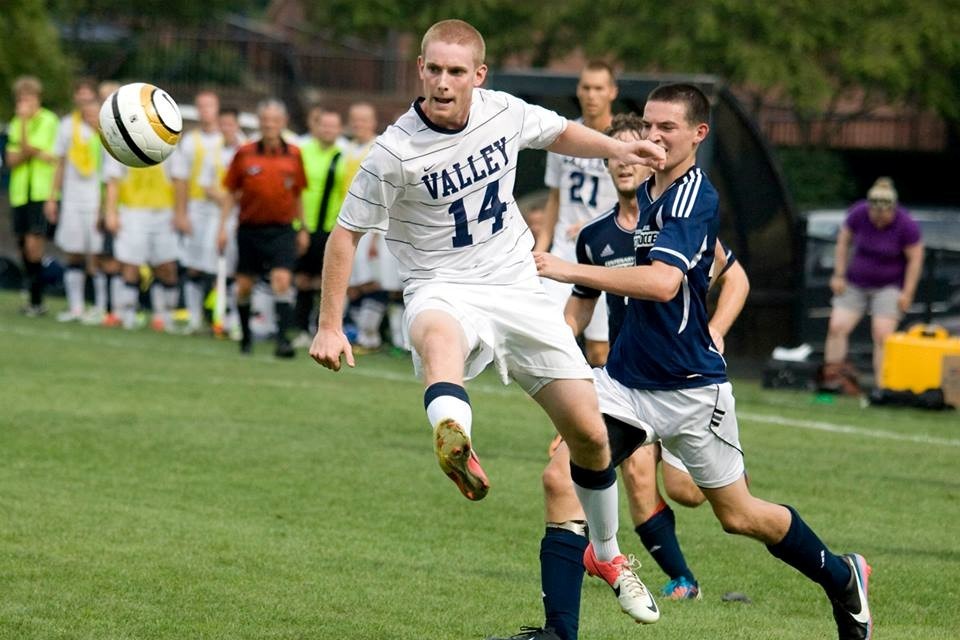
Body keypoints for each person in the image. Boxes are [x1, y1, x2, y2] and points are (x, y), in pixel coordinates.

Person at [309, 19, 667, 625]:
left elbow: (558, 134)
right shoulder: (393, 152)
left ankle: (606, 556)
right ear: (418, 70)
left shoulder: (502, 112)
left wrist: (617, 147)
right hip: (441, 284)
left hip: (517, 286)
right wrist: (329, 323)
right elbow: (344, 236)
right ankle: (454, 435)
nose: (443, 82)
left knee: (590, 435)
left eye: (456, 72)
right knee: (436, 335)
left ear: (477, 76)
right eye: (433, 69)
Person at [534, 83, 872, 640]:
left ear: (698, 135)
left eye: (667, 127)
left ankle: (842, 576)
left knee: (737, 516)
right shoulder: (649, 193)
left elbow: (668, 284)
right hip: (626, 382)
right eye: (649, 124)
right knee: (560, 477)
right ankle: (562, 626)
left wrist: (569, 270)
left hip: (691, 391)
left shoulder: (696, 197)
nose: (654, 136)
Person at [489, 114, 750, 640]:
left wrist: (717, 329)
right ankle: (656, 581)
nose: (630, 162)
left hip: (687, 378)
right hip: (627, 381)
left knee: (690, 494)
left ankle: (641, 562)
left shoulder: (681, 214)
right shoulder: (596, 237)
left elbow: (732, 278)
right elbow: (578, 312)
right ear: (608, 163)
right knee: (591, 475)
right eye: (619, 154)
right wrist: (559, 369)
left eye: (641, 152)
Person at [534, 61, 620, 366]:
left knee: (599, 351)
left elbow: (634, 197)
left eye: (599, 88)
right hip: (564, 250)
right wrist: (539, 250)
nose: (591, 95)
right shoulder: (564, 135)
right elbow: (555, 198)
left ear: (612, 92)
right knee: (550, 337)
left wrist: (598, 223)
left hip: (605, 253)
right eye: (586, 87)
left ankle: (601, 411)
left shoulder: (621, 141)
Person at [217, 98, 308, 358]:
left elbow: (298, 193)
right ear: (259, 122)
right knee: (244, 286)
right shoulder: (244, 153)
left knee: (282, 280)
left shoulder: (294, 154)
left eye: (275, 120)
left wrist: (302, 228)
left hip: (281, 229)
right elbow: (230, 192)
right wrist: (222, 228)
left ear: (283, 123)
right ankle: (246, 336)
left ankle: (283, 341)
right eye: (265, 120)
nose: (270, 125)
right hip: (249, 229)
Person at [823, 177, 923, 390]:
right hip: (856, 282)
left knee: (882, 333)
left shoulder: (906, 224)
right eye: (874, 214)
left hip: (889, 285)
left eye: (883, 215)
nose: (878, 220)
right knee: (837, 326)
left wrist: (908, 292)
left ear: (892, 209)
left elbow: (915, 258)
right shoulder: (859, 213)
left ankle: (882, 387)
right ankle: (832, 380)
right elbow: (843, 242)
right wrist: (839, 274)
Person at [45, 80, 107, 323]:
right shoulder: (67, 126)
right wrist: (53, 197)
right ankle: (76, 306)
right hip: (72, 199)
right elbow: (59, 163)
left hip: (95, 200)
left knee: (96, 255)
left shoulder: (106, 131)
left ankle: (101, 307)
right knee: (73, 252)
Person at [102, 152, 180, 332]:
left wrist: (180, 212)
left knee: (166, 265)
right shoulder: (122, 140)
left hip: (164, 211)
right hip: (132, 210)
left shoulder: (167, 139)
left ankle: (164, 316)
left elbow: (179, 179)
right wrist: (111, 212)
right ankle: (126, 313)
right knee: (131, 263)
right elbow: (113, 180)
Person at [291, 105, 346, 348]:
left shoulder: (345, 155)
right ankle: (301, 328)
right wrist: (301, 226)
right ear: (317, 126)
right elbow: (295, 190)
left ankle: (320, 329)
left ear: (339, 129)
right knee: (302, 278)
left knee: (324, 281)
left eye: (333, 126)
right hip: (303, 225)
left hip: (331, 228)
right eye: (325, 125)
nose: (328, 130)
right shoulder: (302, 152)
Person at [5, 75, 59, 316]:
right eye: (20, 99)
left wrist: (26, 128)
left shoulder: (47, 121)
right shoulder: (16, 122)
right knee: (22, 248)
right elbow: (11, 159)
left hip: (40, 191)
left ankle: (37, 300)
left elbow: (28, 149)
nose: (23, 103)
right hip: (20, 192)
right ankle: (33, 297)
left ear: (37, 98)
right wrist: (30, 151)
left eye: (27, 98)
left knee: (34, 244)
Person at [170, 89, 223, 333]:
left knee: (220, 266)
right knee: (193, 264)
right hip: (197, 209)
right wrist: (180, 213)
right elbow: (180, 179)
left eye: (209, 106)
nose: (205, 111)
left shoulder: (231, 139)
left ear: (217, 108)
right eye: (200, 106)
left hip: (223, 212)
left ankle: (219, 316)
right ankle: (194, 316)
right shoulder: (190, 141)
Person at [197, 107, 244, 337]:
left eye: (230, 124)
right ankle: (215, 317)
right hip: (215, 216)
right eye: (222, 124)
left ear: (237, 125)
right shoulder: (212, 151)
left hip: (240, 217)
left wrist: (232, 199)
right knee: (213, 268)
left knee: (235, 269)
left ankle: (234, 319)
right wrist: (225, 199)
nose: (226, 128)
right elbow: (205, 186)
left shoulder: (246, 150)